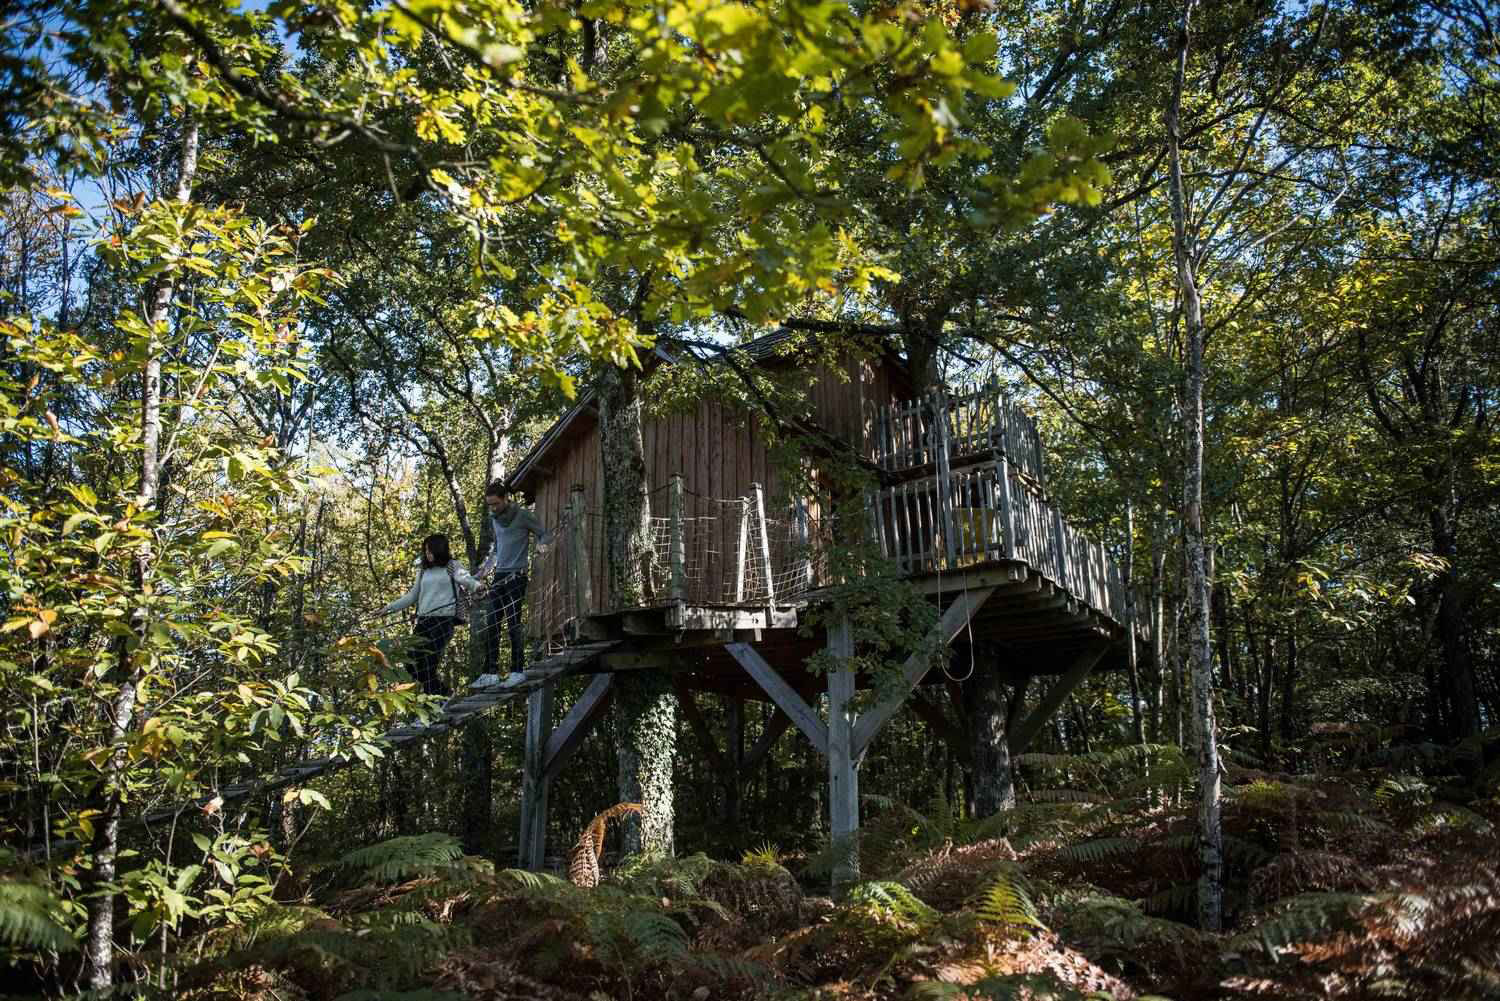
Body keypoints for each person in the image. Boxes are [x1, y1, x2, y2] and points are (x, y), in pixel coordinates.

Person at [472, 480, 552, 688]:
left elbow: (544, 534)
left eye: (496, 504)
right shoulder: (494, 519)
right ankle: (490, 672)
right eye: (490, 505)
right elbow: (496, 550)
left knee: (513, 622)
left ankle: (517, 670)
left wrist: (542, 547)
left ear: (506, 499)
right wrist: (481, 573)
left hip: (517, 575)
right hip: (499, 576)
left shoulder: (523, 515)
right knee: (492, 622)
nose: (493, 508)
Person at [379, 533, 480, 697]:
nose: (428, 554)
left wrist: (479, 587)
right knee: (411, 664)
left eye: (431, 550)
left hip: (443, 621)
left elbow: (467, 580)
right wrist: (388, 608)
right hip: (424, 621)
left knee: (429, 664)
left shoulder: (452, 565)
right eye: (425, 551)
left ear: (440, 550)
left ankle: (437, 702)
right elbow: (412, 596)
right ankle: (444, 696)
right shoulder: (424, 570)